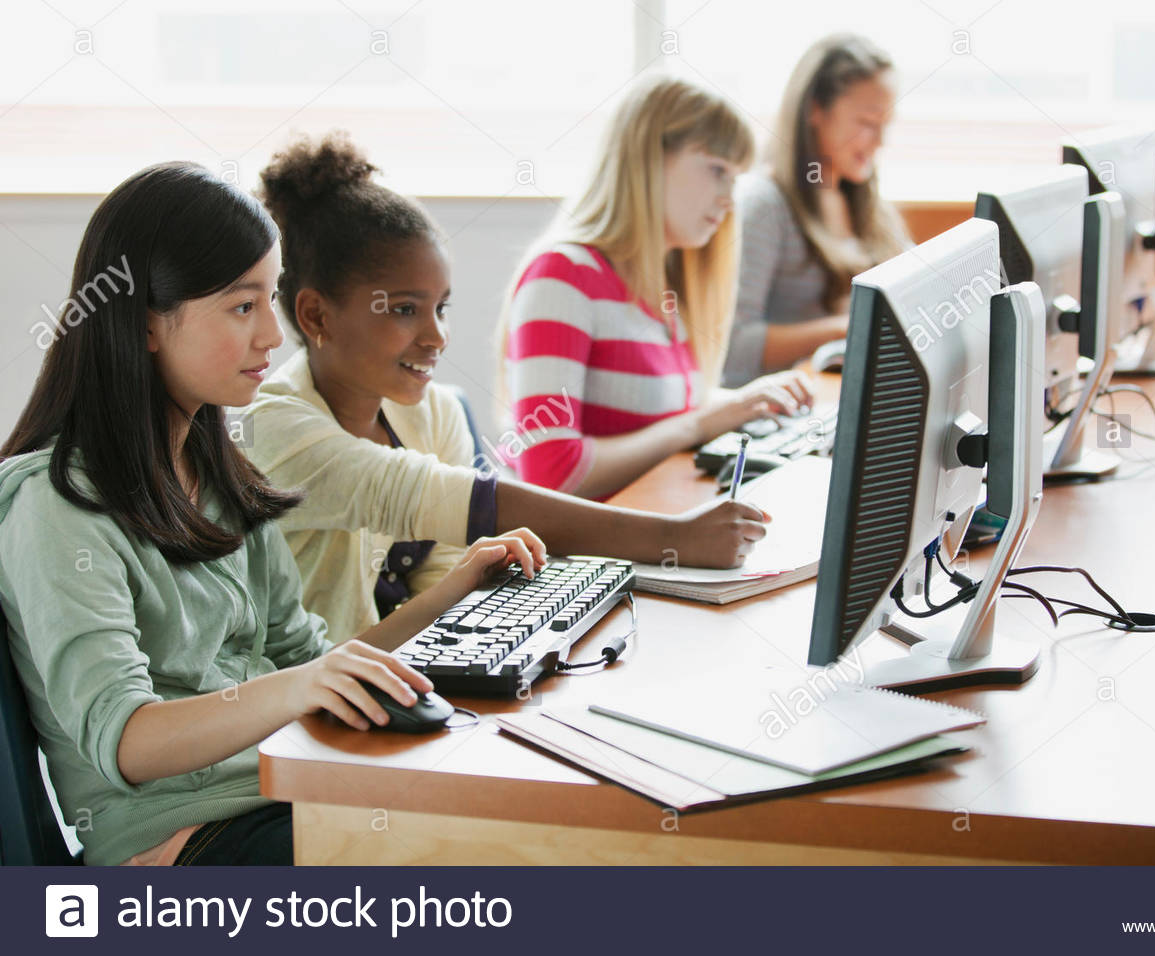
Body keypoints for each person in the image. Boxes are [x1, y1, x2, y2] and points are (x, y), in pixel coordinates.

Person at [0, 162, 541, 865]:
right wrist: (301, 686)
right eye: (241, 306)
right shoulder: (56, 506)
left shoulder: (222, 477)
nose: (271, 337)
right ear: (147, 324)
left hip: (288, 788)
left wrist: (456, 589)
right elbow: (127, 739)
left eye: (269, 300)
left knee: (520, 820)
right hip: (184, 841)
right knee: (490, 860)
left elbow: (316, 663)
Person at [246, 133, 771, 642]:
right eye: (404, 310)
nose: (437, 337)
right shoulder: (277, 429)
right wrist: (674, 539)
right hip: (302, 709)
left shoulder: (436, 413)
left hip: (382, 680)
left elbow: (440, 598)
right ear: (316, 315)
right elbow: (461, 503)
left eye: (441, 308)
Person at [502, 74, 814, 499]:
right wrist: (700, 423)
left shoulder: (665, 288)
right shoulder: (562, 277)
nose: (728, 199)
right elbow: (550, 474)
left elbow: (658, 413)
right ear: (649, 160)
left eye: (735, 179)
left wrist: (746, 401)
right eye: (717, 169)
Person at [722, 34, 912, 387]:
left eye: (885, 126)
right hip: (784, 411)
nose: (880, 142)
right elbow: (734, 346)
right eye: (867, 123)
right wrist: (852, 326)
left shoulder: (868, 204)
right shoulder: (763, 204)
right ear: (815, 110)